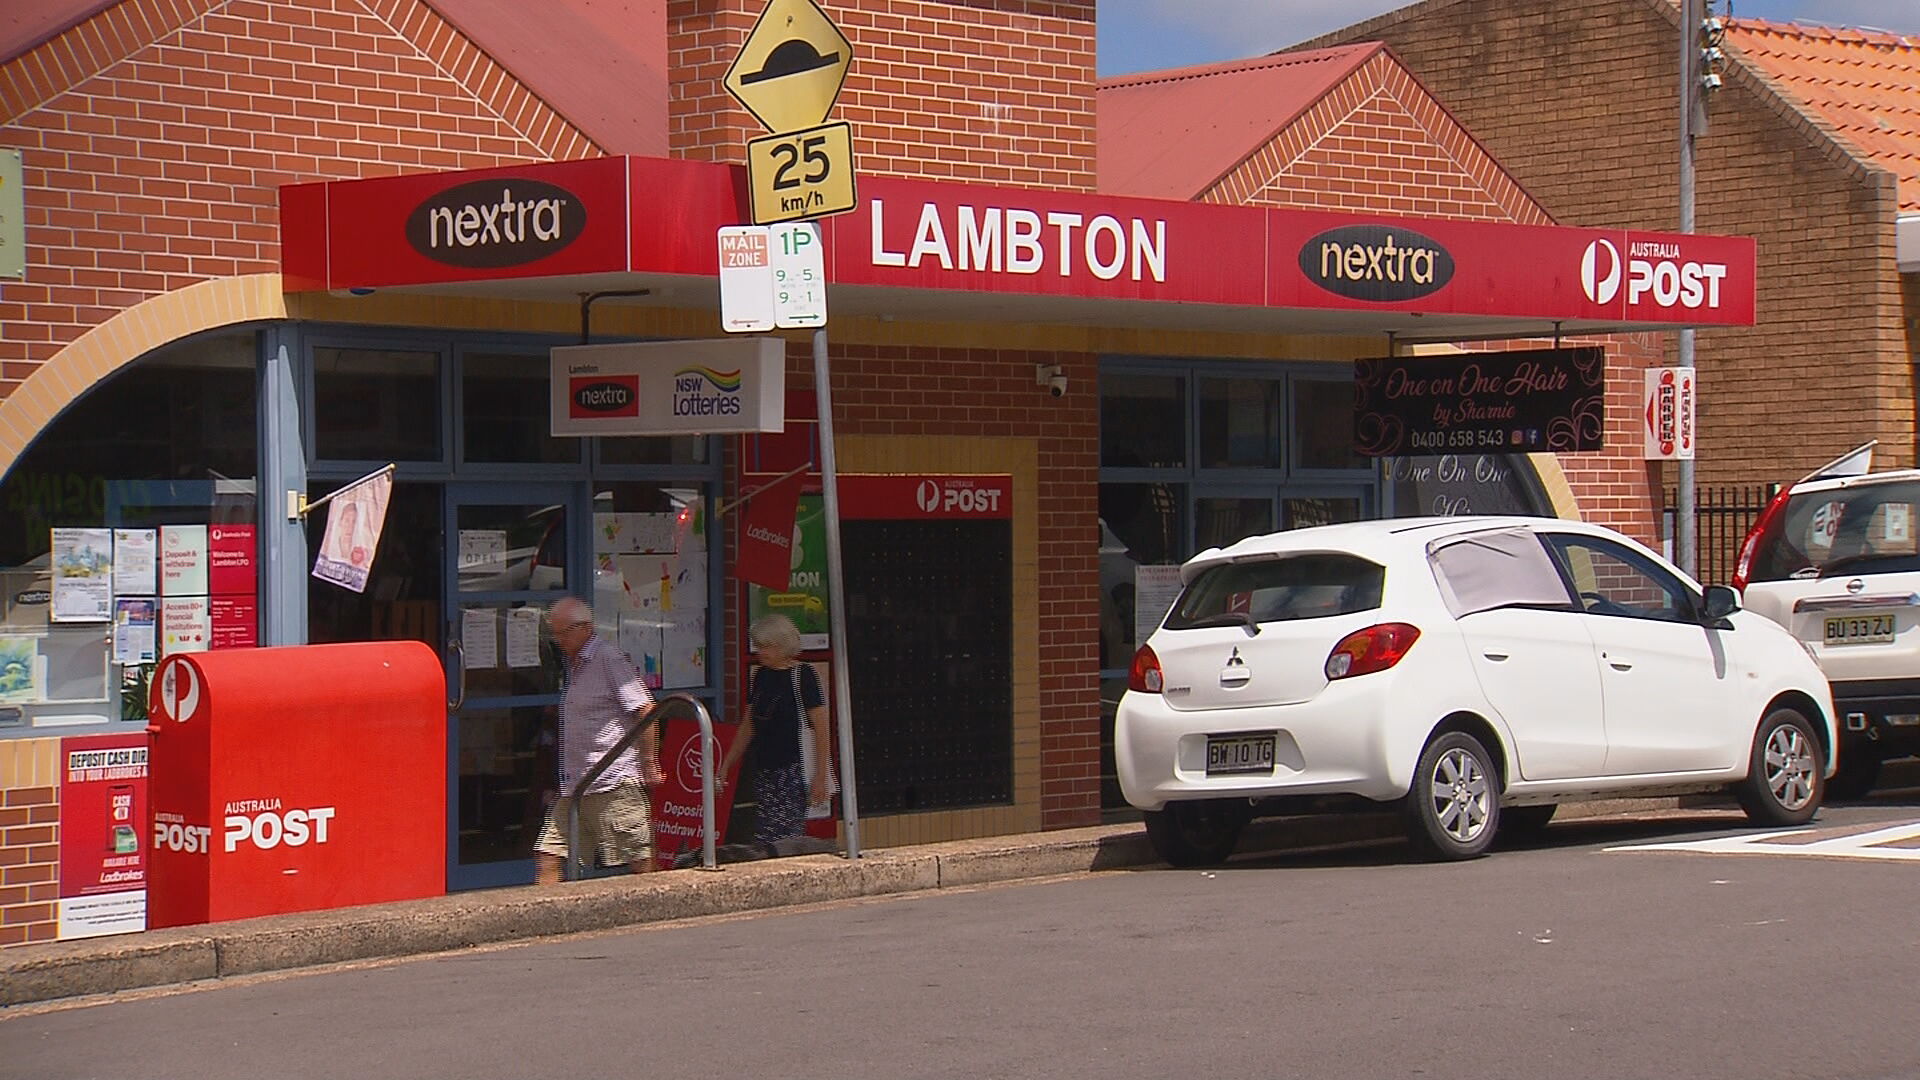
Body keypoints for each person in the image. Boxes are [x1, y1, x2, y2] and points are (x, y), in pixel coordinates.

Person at [533, 596, 663, 884]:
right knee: (548, 855)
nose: (559, 641)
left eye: (564, 633)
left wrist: (648, 762)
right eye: (555, 634)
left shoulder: (608, 659)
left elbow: (645, 710)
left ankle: (656, 904)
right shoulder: (576, 665)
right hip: (577, 785)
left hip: (612, 781)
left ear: (585, 628)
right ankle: (548, 909)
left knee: (639, 860)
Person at [717, 614, 831, 851]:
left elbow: (821, 727)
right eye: (758, 646)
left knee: (784, 832)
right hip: (765, 765)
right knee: (765, 830)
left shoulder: (804, 675)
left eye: (766, 646)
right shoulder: (761, 675)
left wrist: (820, 776)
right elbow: (749, 724)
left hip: (793, 767)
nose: (760, 652)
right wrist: (727, 763)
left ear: (781, 645)